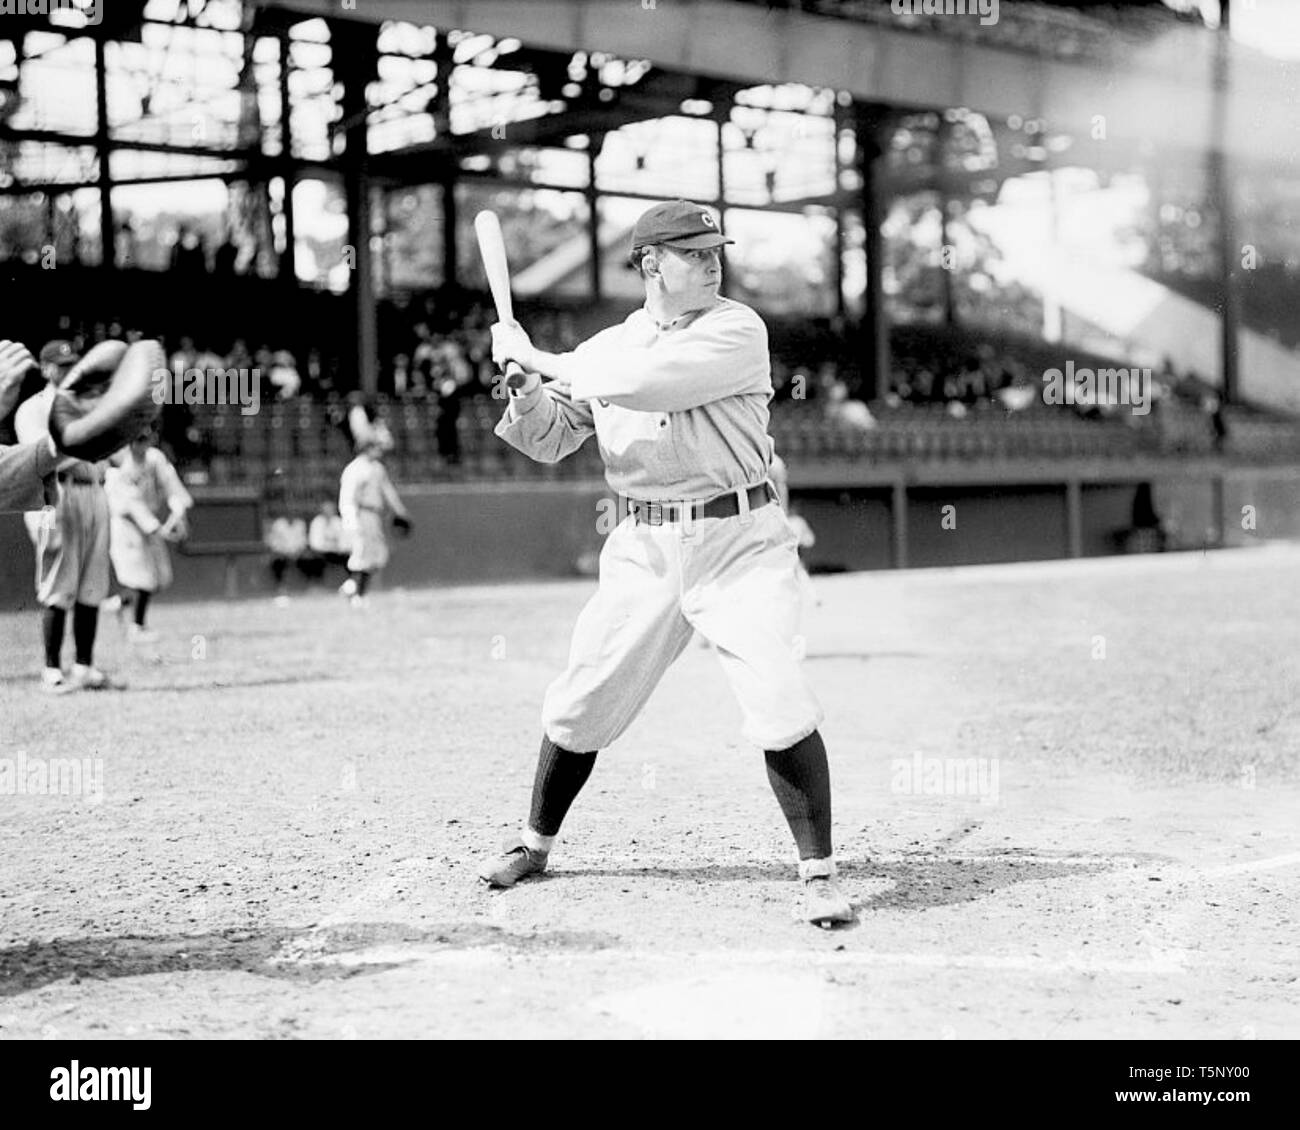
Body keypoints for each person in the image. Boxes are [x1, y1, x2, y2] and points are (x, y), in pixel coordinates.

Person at [479, 198, 853, 927]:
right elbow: (552, 437)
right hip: (645, 547)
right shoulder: (608, 348)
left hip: (738, 539)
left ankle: (819, 873)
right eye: (693, 252)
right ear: (650, 263)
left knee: (776, 696)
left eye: (715, 250)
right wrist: (527, 393)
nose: (713, 260)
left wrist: (543, 357)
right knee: (582, 699)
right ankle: (534, 845)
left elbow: (651, 381)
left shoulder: (736, 329)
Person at [15, 342, 115, 691]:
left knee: (93, 583)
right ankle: (52, 669)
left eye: (72, 363)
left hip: (94, 488)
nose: (67, 369)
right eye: (61, 365)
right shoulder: (34, 408)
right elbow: (43, 455)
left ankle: (85, 667)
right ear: (46, 368)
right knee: (58, 582)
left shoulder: (88, 405)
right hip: (56, 493)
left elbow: (113, 454)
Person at [104, 428, 194, 642]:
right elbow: (129, 503)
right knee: (141, 578)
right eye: (137, 440)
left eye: (146, 439)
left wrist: (178, 509)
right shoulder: (119, 465)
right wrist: (156, 528)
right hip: (127, 526)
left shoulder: (155, 458)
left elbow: (171, 485)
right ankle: (137, 627)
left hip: (149, 525)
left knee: (160, 578)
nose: (141, 445)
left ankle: (120, 602)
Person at [338, 438, 411, 608]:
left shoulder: (377, 468)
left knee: (377, 555)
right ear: (366, 448)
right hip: (360, 513)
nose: (379, 450)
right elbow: (347, 498)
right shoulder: (354, 469)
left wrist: (400, 510)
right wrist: (350, 520)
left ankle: (351, 587)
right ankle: (358, 594)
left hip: (374, 515)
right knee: (362, 553)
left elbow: (388, 491)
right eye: (375, 447)